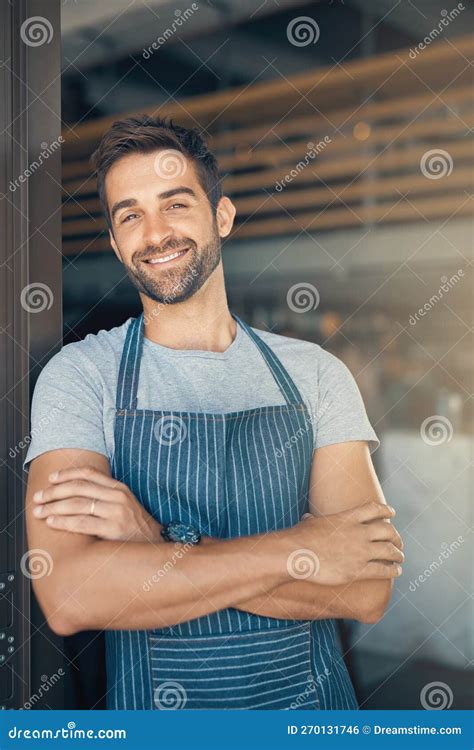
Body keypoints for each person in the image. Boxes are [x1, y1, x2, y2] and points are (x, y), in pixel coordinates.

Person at [24, 115, 404, 711]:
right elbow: (73, 596)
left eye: (175, 204)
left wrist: (157, 542)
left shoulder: (316, 374)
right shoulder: (79, 376)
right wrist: (302, 554)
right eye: (130, 215)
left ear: (221, 216)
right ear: (116, 237)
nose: (154, 233)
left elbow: (365, 590)